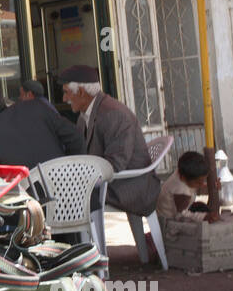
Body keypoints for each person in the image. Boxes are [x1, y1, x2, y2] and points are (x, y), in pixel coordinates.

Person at [59, 64, 159, 218]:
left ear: (80, 92)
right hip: (115, 181)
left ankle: (85, 240)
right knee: (63, 189)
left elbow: (115, 165)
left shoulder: (113, 114)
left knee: (68, 196)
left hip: (129, 187)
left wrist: (79, 180)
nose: (64, 99)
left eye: (66, 93)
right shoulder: (85, 115)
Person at [0, 81, 84, 168]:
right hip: (72, 192)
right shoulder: (37, 107)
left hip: (26, 198)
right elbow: (76, 136)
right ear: (2, 100)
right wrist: (71, 168)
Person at [157, 151, 210, 223]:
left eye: (203, 181)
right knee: (202, 216)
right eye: (198, 182)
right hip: (169, 222)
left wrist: (212, 187)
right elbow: (181, 215)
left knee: (201, 207)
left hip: (179, 209)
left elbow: (196, 187)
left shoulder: (183, 172)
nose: (201, 184)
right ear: (183, 178)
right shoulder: (181, 191)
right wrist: (204, 216)